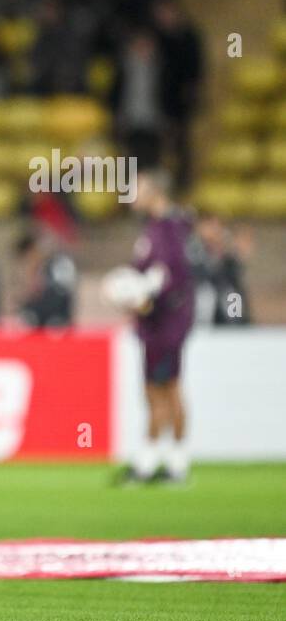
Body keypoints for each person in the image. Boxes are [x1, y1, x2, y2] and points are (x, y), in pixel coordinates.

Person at [119, 170, 195, 484]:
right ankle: (151, 459)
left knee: (168, 388)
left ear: (155, 193)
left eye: (138, 189)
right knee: (153, 389)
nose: (132, 195)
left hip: (167, 322)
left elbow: (172, 278)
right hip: (155, 322)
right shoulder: (155, 229)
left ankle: (176, 462)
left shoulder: (170, 228)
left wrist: (148, 298)